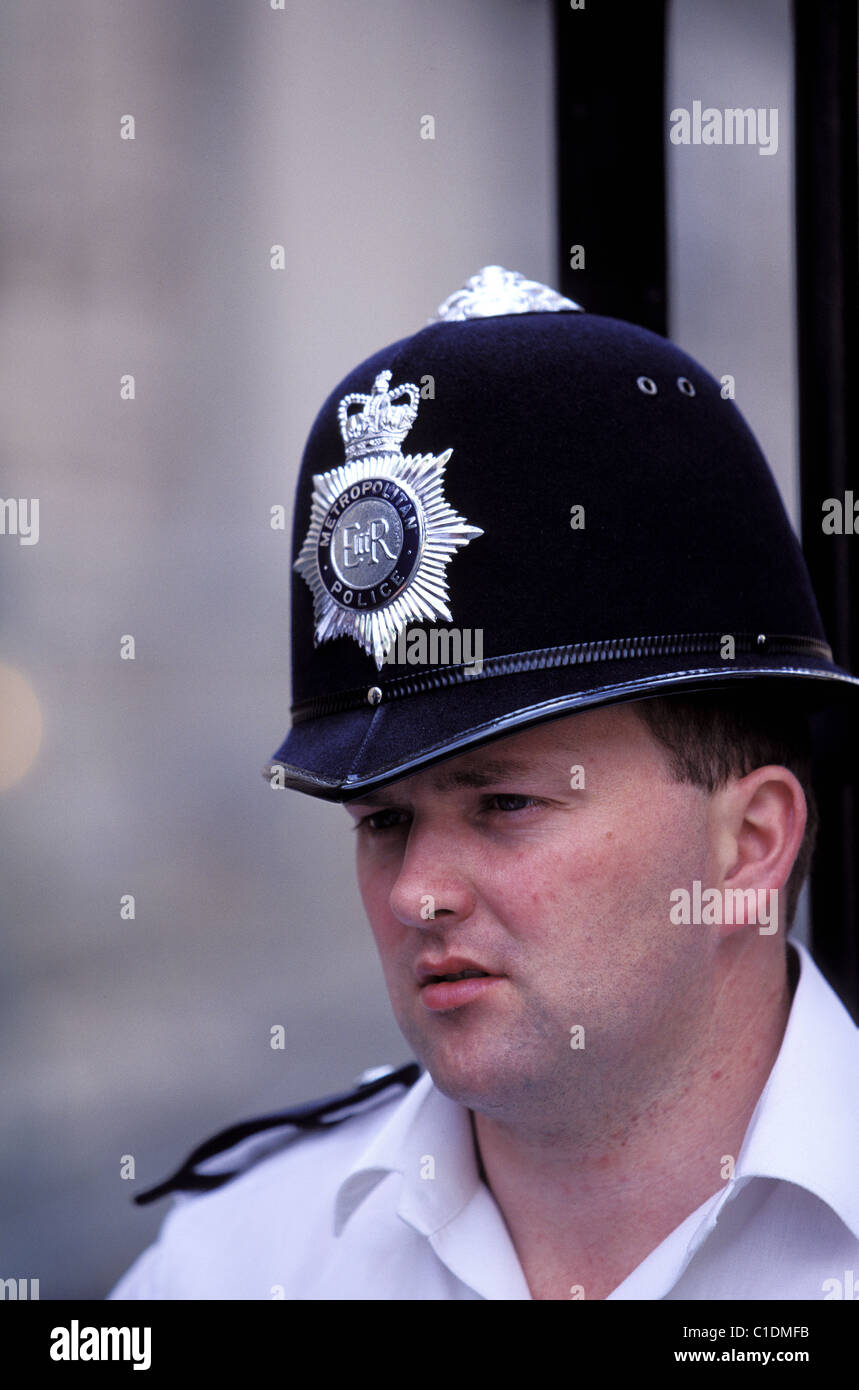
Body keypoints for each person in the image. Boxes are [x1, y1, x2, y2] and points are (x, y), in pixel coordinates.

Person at [109, 267, 859, 1300]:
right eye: (381, 821)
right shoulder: (240, 1262)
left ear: (749, 842)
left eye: (503, 804)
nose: (418, 893)